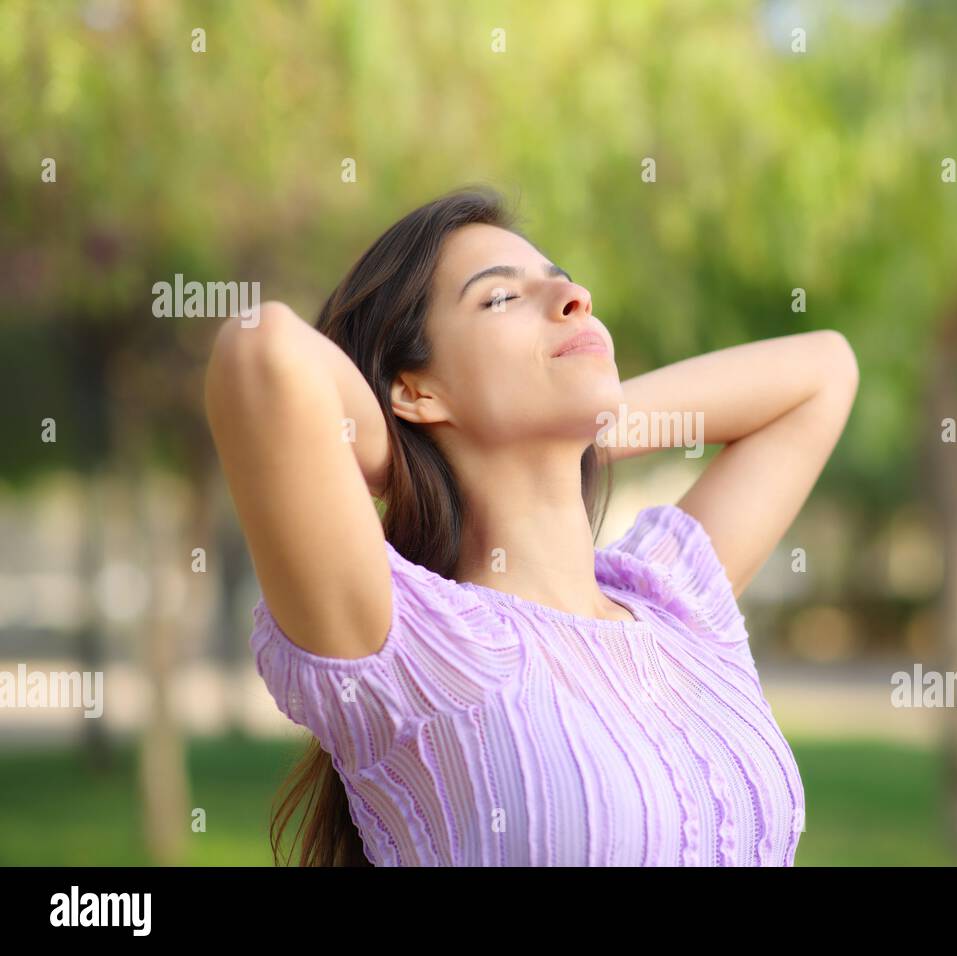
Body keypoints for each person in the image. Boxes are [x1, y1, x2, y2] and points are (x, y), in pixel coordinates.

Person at [203, 184, 859, 865]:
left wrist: (589, 423)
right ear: (416, 390)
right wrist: (406, 456)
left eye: (562, 281)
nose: (575, 298)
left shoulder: (674, 605)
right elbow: (262, 350)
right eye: (500, 297)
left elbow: (825, 370)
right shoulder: (421, 649)